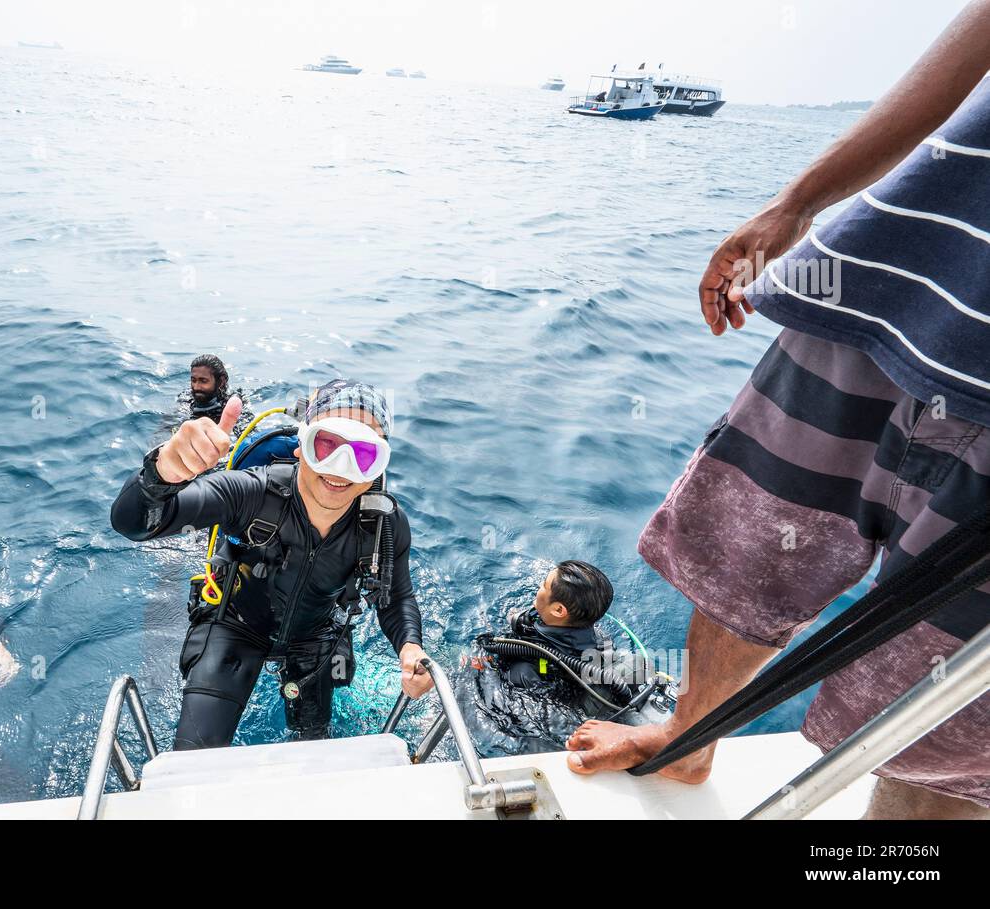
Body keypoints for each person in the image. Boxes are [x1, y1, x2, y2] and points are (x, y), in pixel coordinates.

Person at [566, 2, 990, 819]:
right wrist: (800, 200)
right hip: (893, 276)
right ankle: (688, 738)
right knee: (743, 540)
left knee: (945, 698)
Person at [111, 379, 433, 749]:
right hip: (235, 628)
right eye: (326, 445)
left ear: (378, 465)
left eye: (362, 453)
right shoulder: (251, 494)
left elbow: (395, 597)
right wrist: (161, 473)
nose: (340, 469)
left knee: (314, 747)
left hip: (315, 637)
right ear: (301, 446)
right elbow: (133, 524)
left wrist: (410, 646)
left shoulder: (383, 524)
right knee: (193, 761)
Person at [471, 561, 671, 736]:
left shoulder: (525, 672)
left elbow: (528, 718)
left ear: (558, 610)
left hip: (553, 703)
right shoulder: (600, 639)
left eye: (544, 585)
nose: (538, 588)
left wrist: (485, 668)